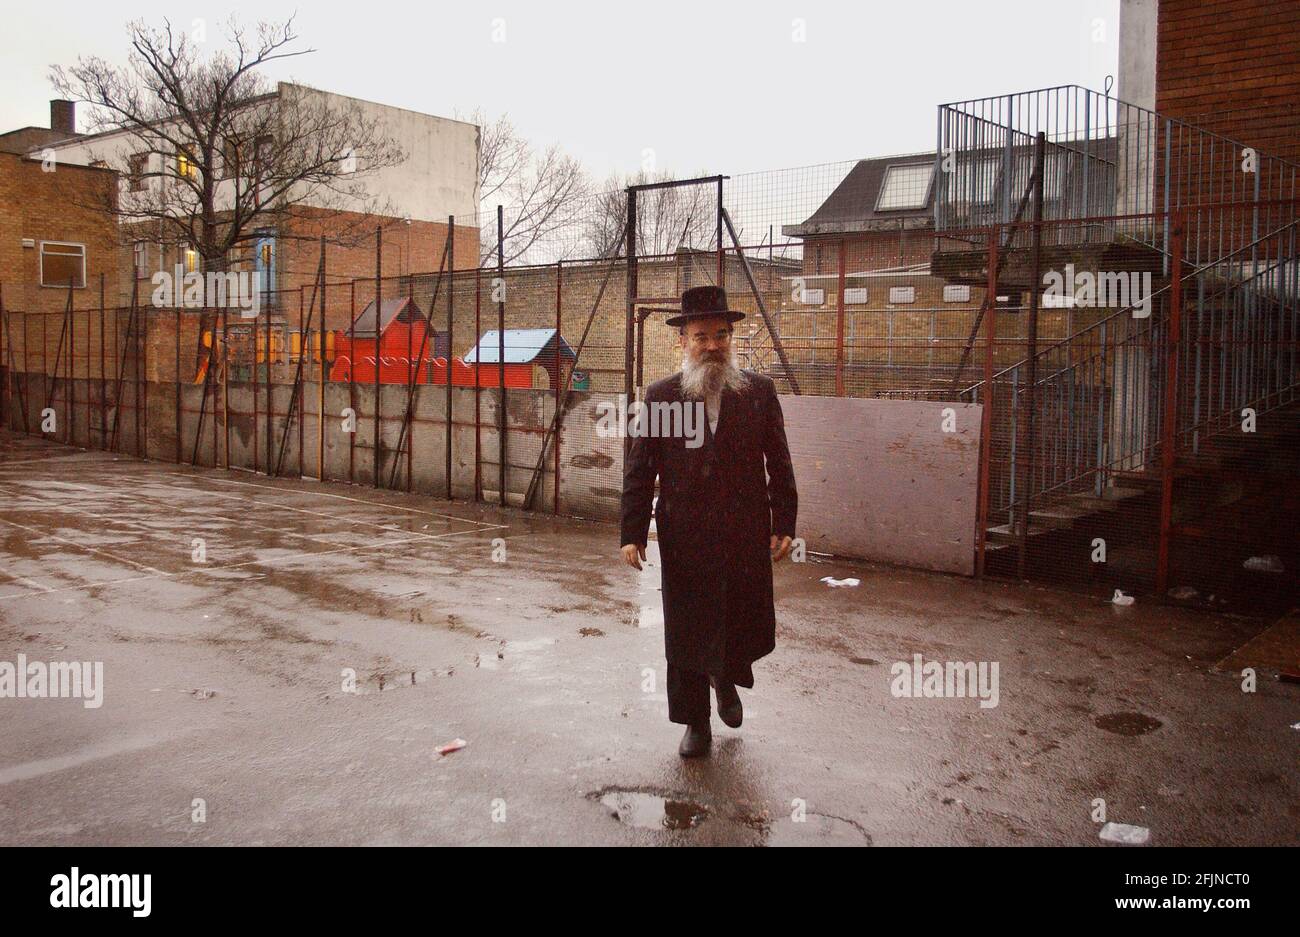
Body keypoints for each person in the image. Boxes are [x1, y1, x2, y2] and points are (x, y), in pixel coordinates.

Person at [620, 285, 798, 757]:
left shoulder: (758, 393)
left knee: (738, 616)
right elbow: (641, 468)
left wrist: (785, 521)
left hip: (744, 532)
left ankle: (726, 678)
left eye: (721, 335)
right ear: (683, 341)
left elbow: (778, 462)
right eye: (702, 336)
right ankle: (695, 722)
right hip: (685, 537)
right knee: (686, 630)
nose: (713, 345)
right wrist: (632, 533)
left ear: (731, 337)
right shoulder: (661, 398)